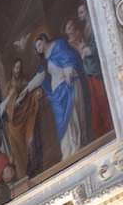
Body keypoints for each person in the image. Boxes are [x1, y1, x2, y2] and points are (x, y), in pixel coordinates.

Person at [25, 33, 87, 160]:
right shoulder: (45, 59)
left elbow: (67, 58)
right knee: (62, 123)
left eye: (39, 45)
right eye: (37, 48)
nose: (39, 49)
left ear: (44, 40)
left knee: (72, 116)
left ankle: (75, 146)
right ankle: (67, 151)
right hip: (58, 93)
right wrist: (26, 89)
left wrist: (68, 72)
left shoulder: (58, 45)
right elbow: (39, 76)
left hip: (68, 85)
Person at [67, 9, 111, 139]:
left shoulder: (89, 27)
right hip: (88, 72)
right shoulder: (83, 29)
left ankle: (110, 126)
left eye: (81, 12)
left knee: (102, 98)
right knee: (95, 101)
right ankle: (104, 130)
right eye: (79, 13)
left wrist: (85, 49)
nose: (79, 15)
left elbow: (96, 44)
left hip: (95, 69)